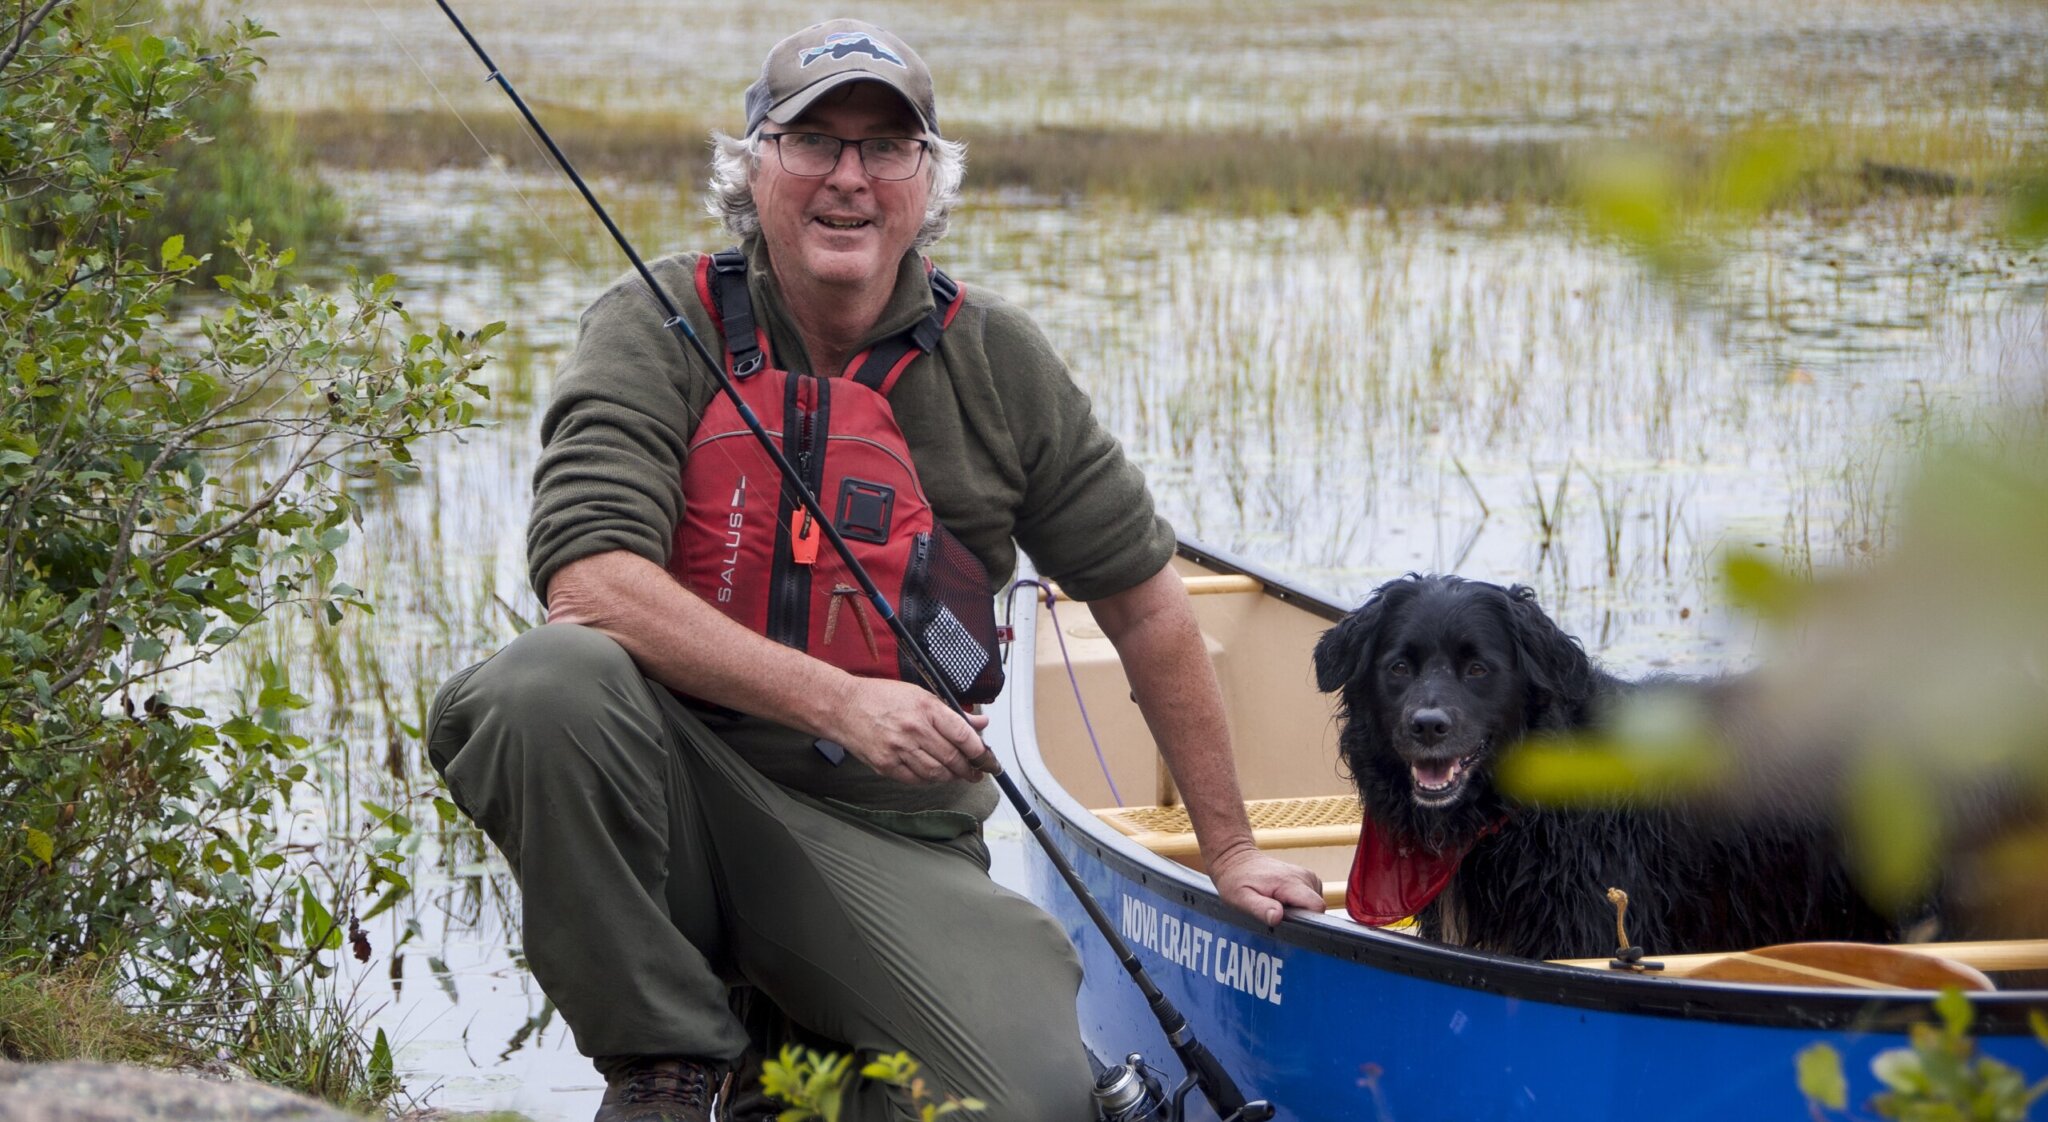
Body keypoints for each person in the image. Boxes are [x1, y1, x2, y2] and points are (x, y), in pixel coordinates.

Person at [425, 19, 1324, 1122]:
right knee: (541, 687)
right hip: (680, 807)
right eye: (813, 141)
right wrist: (840, 702)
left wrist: (1230, 851)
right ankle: (665, 1063)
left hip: (892, 838)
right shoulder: (654, 324)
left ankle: (800, 1053)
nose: (848, 177)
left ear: (926, 181)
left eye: (886, 147)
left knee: (1029, 1106)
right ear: (754, 166)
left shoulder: (997, 361)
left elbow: (1145, 607)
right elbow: (589, 582)